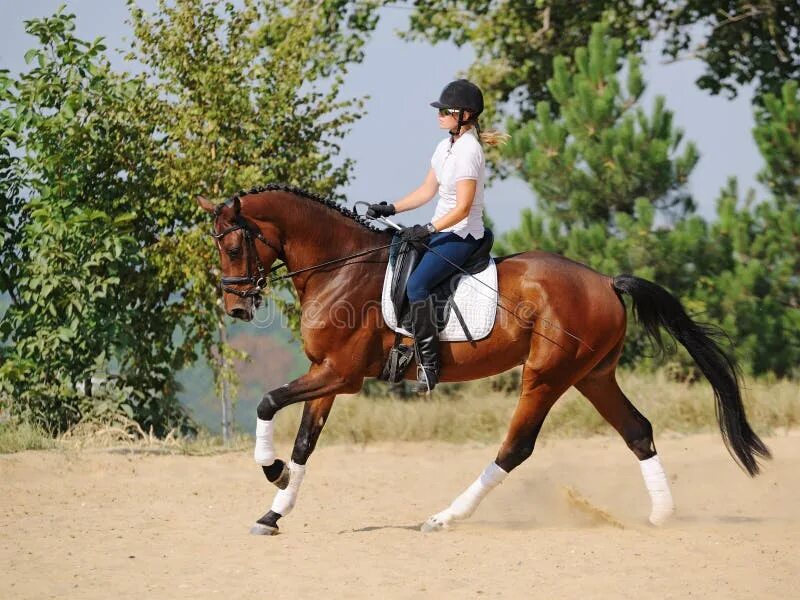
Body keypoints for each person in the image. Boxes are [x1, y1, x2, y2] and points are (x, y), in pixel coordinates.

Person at [367, 78, 509, 394]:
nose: (439, 115)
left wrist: (429, 229)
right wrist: (391, 207)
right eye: (440, 110)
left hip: (463, 236)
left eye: (446, 111)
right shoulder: (445, 147)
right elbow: (426, 191)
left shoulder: (469, 151)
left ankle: (429, 364)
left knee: (417, 285)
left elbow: (462, 208)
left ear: (465, 115)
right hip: (443, 230)